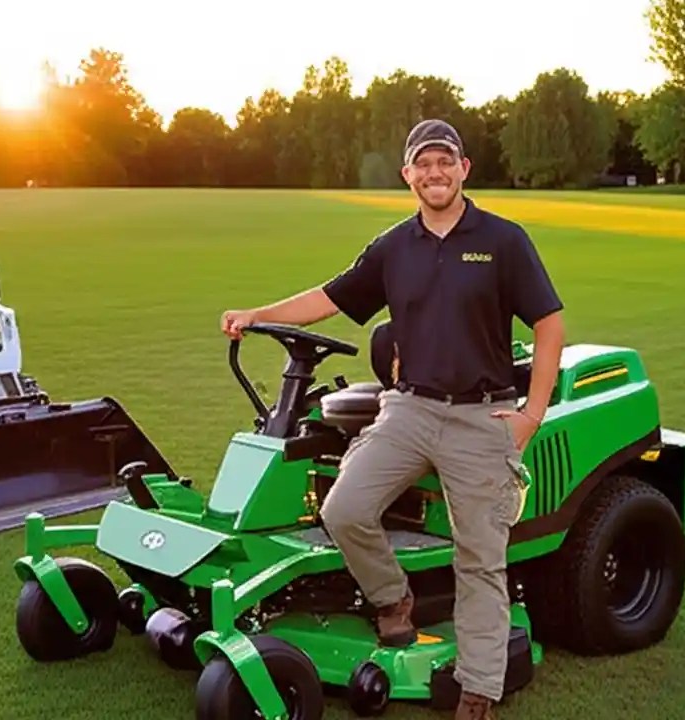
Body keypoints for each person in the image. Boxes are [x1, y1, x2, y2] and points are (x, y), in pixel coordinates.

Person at [220, 118, 565, 719]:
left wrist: (530, 415)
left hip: (481, 416)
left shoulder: (503, 241)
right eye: (423, 164)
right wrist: (258, 312)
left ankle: (479, 690)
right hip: (408, 408)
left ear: (464, 170)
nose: (435, 173)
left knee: (480, 558)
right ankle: (392, 598)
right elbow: (330, 298)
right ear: (408, 174)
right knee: (342, 508)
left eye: (445, 162)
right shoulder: (394, 247)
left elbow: (549, 323)